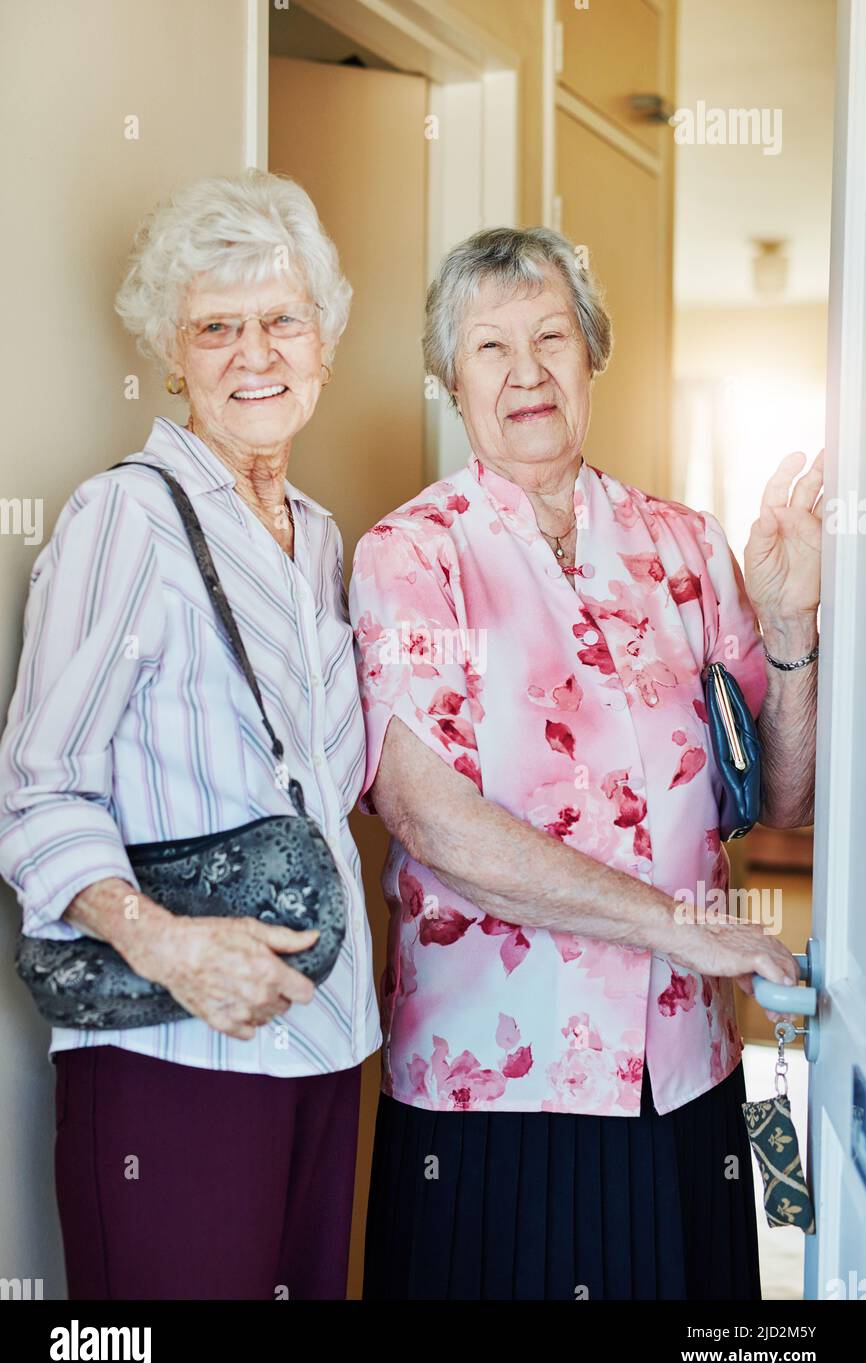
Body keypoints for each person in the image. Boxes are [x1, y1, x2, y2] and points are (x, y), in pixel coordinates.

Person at [348, 225, 820, 1300]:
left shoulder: (686, 547)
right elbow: (436, 824)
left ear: (591, 353)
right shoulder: (412, 556)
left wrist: (789, 625)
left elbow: (778, 803)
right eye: (488, 347)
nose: (526, 372)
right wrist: (680, 929)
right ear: (449, 378)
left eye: (551, 336)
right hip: (494, 1089)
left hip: (686, 1067)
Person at [0, 169, 380, 1300]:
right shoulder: (123, 516)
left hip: (327, 1033)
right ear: (173, 356)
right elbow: (37, 792)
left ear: (322, 348)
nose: (252, 353)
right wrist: (167, 946)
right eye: (216, 327)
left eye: (281, 322)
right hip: (175, 1051)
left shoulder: (318, 540)